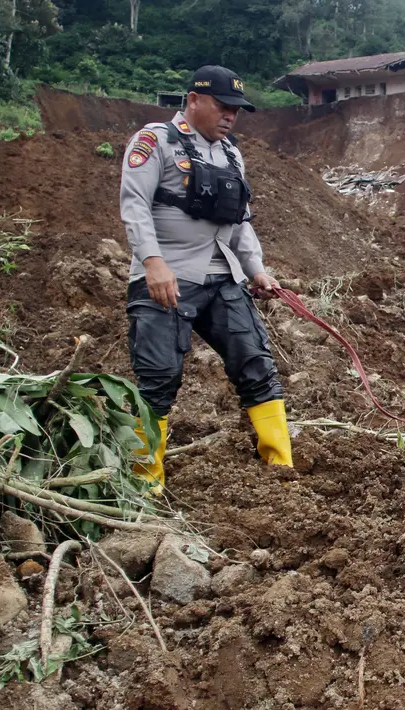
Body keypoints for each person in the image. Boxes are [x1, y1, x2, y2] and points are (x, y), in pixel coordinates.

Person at [119, 64, 293, 495]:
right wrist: (153, 262)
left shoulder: (230, 153)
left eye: (237, 109)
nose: (231, 115)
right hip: (166, 276)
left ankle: (281, 467)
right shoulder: (154, 142)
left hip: (221, 275)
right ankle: (146, 485)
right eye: (223, 106)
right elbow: (134, 205)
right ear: (193, 100)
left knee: (256, 364)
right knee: (158, 378)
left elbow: (241, 223)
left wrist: (257, 270)